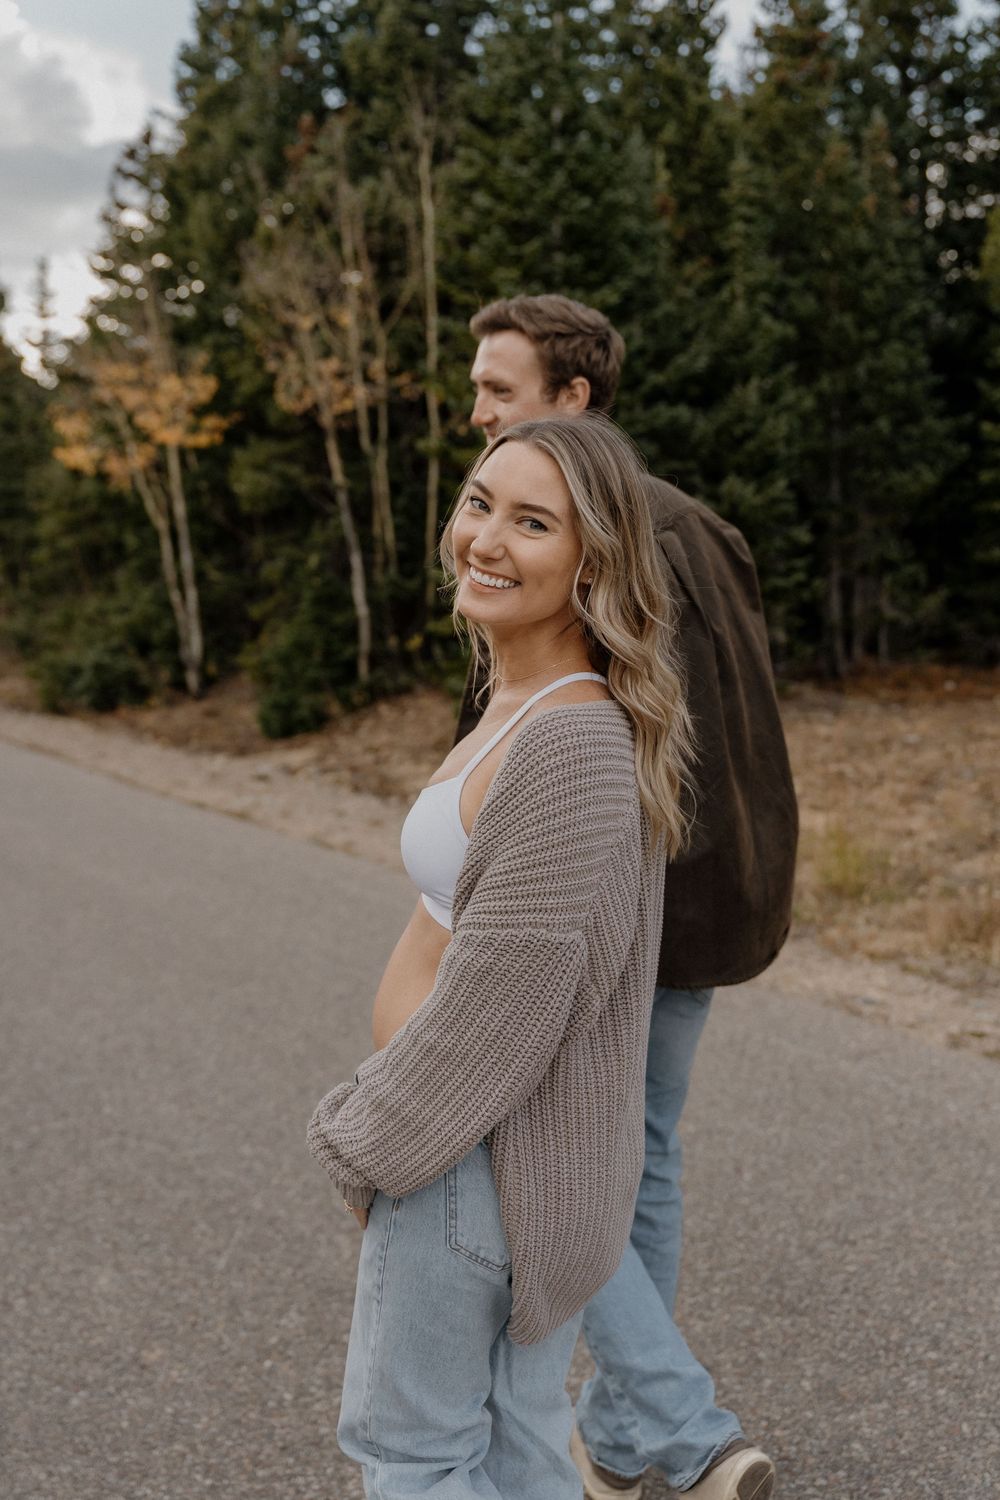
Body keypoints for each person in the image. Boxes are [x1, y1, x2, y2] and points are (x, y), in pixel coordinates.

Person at [308, 411, 695, 1499]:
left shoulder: (570, 740)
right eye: (480, 502)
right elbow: (452, 919)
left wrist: (369, 1146)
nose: (484, 538)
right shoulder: (514, 702)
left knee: (417, 1459)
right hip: (473, 1155)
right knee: (520, 1449)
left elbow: (502, 1011)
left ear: (594, 561)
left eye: (532, 522)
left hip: (471, 1163)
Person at [462, 295, 798, 1500]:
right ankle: (616, 1442)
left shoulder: (592, 533)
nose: (478, 410)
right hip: (720, 891)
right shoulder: (705, 524)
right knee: (635, 1158)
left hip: (629, 894)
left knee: (543, 1154)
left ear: (573, 400)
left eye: (499, 389)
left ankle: (686, 1428)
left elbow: (553, 733)